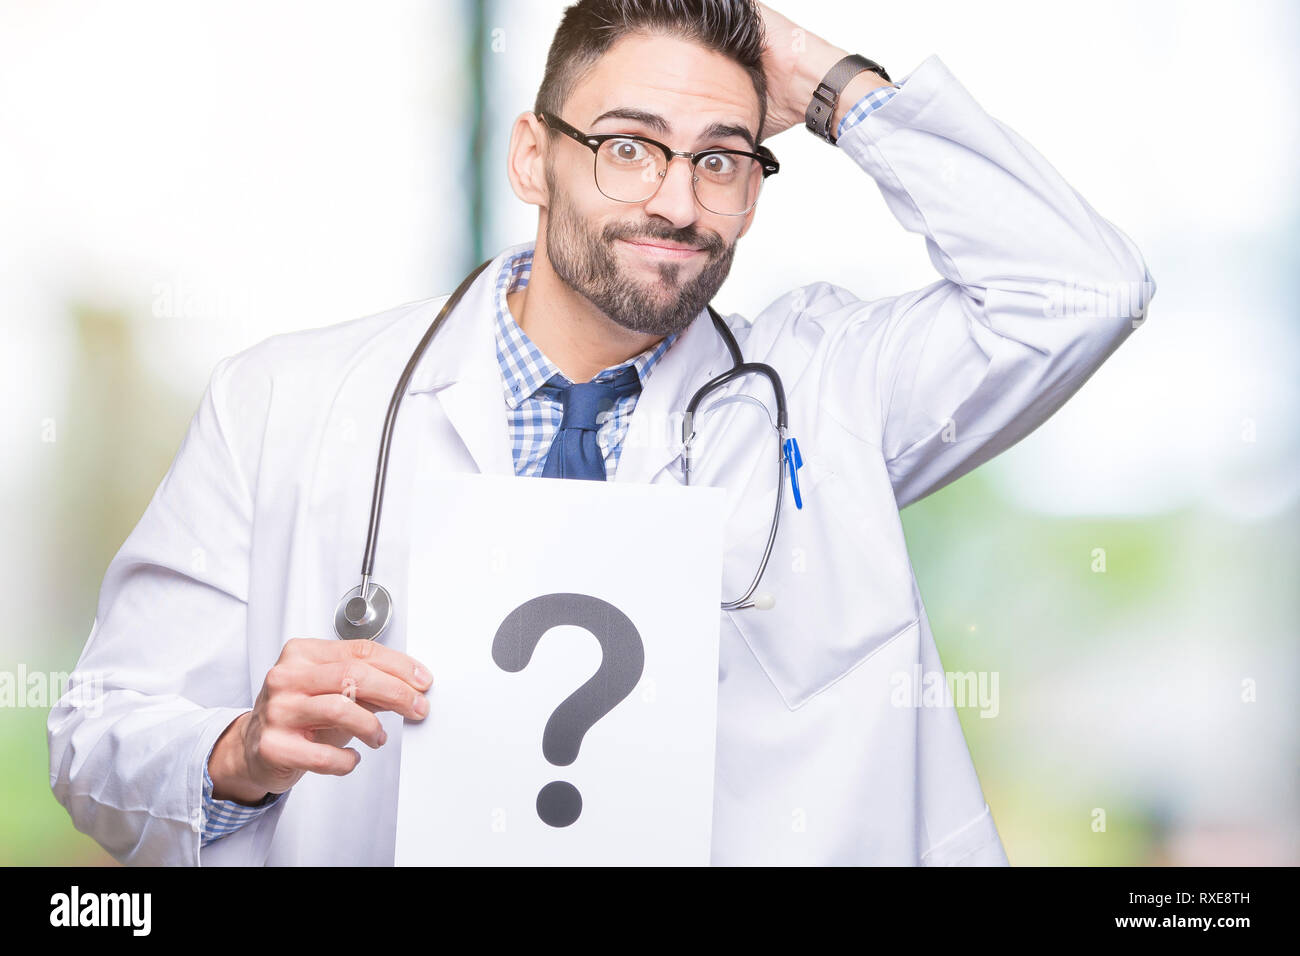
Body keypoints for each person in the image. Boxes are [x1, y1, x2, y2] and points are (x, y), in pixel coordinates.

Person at [48, 0, 1154, 865]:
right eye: (629, 144)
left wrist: (830, 83)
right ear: (533, 155)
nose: (677, 200)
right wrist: (235, 750)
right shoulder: (283, 402)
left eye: (721, 157)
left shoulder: (828, 393)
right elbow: (99, 732)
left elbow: (1081, 288)